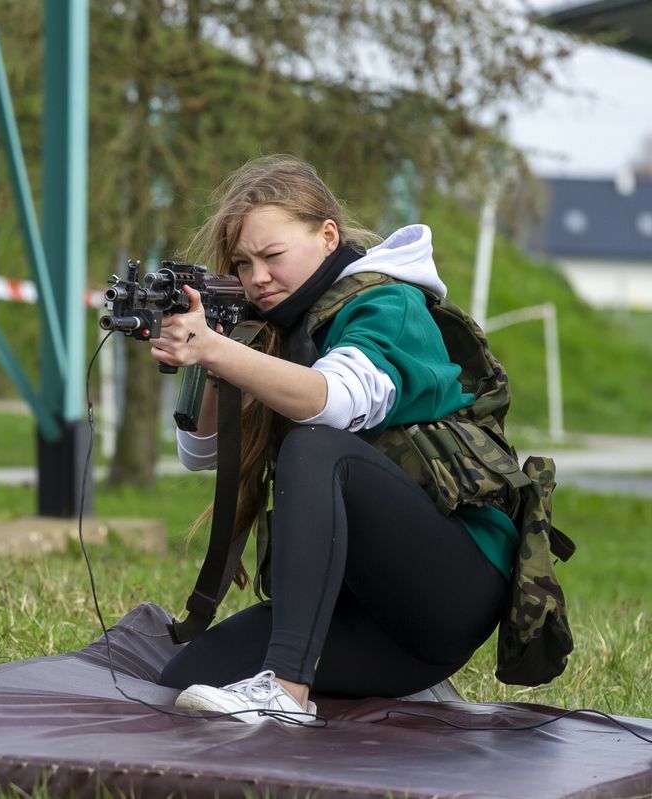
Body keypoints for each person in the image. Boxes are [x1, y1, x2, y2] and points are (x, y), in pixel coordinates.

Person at [150, 155, 520, 724]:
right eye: (243, 263)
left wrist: (216, 350)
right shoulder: (277, 325)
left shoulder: (387, 303)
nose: (257, 278)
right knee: (187, 675)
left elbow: (336, 400)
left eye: (272, 256)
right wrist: (216, 349)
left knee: (315, 446)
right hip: (369, 616)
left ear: (328, 236)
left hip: (453, 592)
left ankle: (287, 692)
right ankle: (409, 692)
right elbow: (199, 453)